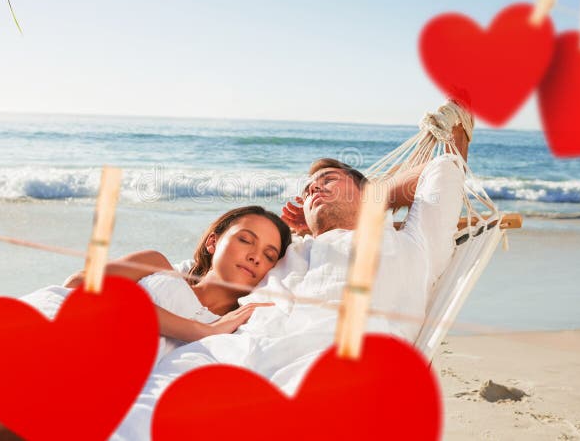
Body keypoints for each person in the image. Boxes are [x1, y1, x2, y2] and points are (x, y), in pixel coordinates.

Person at [111, 100, 473, 440]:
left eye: (329, 180)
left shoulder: (412, 243)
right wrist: (309, 228)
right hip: (222, 358)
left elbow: (443, 168)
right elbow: (220, 269)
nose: (314, 187)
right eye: (310, 188)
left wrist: (372, 201)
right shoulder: (285, 253)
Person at [0, 205, 292, 440]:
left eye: (270, 254)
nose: (256, 256)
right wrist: (197, 330)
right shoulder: (158, 265)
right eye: (246, 239)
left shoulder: (240, 326)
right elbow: (81, 283)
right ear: (214, 241)